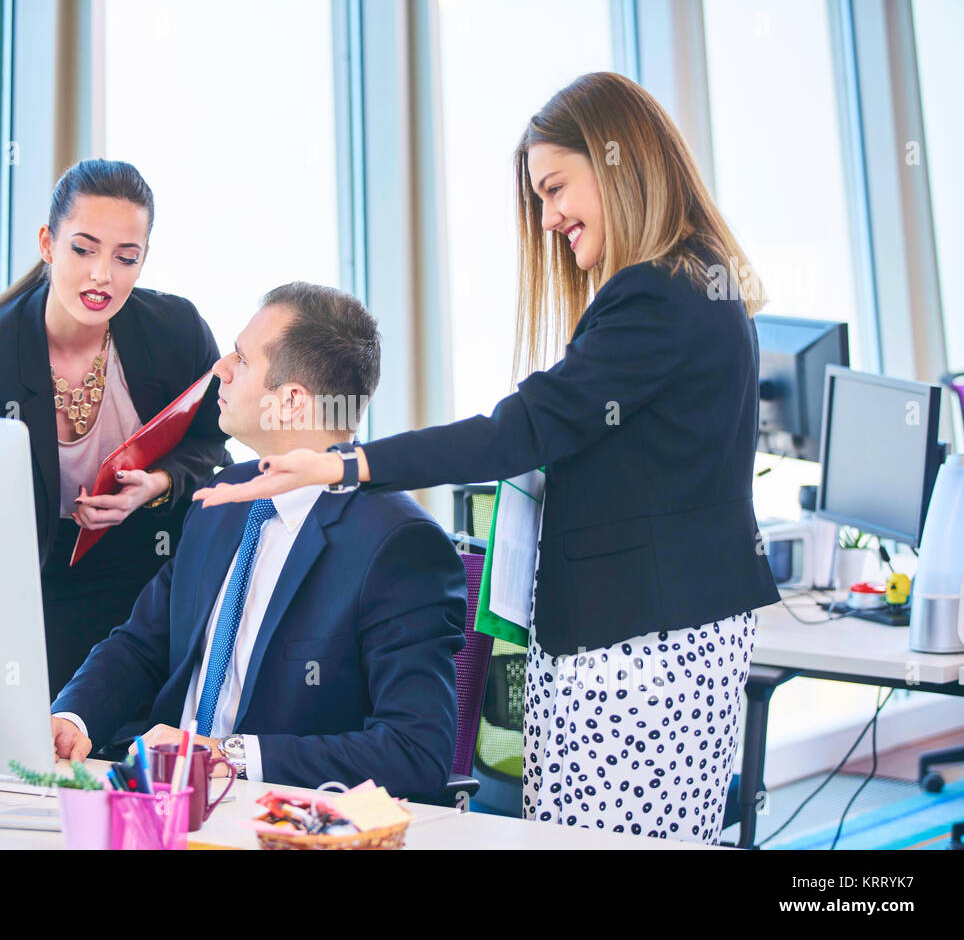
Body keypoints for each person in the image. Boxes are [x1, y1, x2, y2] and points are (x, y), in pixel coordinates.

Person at [194, 73, 781, 843]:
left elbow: (521, 428)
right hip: (644, 642)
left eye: (556, 187)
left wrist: (344, 465)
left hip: (638, 657)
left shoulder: (657, 295)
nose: (548, 219)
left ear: (618, 161)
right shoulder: (694, 283)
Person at [50, 282, 467, 797]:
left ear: (291, 401)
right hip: (161, 800)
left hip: (274, 817)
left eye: (242, 360)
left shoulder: (399, 545)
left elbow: (415, 751)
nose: (220, 369)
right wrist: (74, 716)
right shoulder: (222, 496)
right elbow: (142, 644)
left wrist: (228, 756)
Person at [0, 159, 229, 697]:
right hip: (44, 585)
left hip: (160, 575)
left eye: (126, 258)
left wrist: (158, 485)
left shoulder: (176, 331)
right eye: (83, 249)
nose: (103, 275)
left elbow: (214, 444)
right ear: (48, 243)